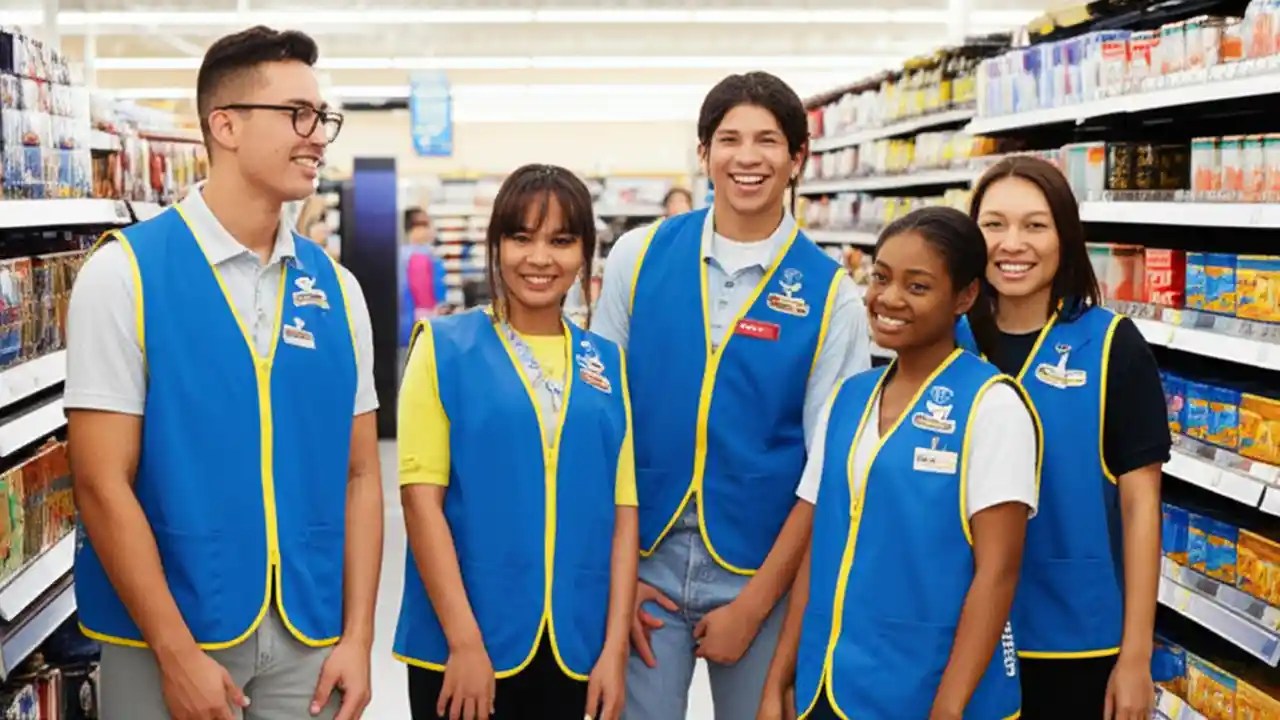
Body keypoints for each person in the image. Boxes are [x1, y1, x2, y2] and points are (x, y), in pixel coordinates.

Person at [67, 26, 382, 720]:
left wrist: (359, 637)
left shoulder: (338, 290)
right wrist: (174, 653)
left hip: (312, 637)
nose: (318, 135)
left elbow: (361, 474)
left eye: (322, 117)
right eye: (297, 113)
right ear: (226, 125)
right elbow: (99, 481)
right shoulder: (124, 276)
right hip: (168, 638)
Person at [591, 71, 870, 720]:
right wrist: (616, 578)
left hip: (758, 569)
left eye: (769, 140)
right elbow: (600, 419)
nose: (748, 157)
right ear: (703, 153)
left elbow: (826, 470)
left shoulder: (833, 297)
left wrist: (755, 604)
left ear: (798, 158)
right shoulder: (639, 256)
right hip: (645, 557)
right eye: (729, 139)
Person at [760, 207, 1041, 720]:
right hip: (826, 687)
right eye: (881, 278)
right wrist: (779, 678)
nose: (888, 299)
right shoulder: (849, 399)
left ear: (965, 296)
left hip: (923, 693)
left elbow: (997, 574)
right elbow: (822, 549)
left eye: (917, 286)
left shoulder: (993, 406)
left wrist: (949, 708)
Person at [394, 164, 638, 720]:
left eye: (561, 240)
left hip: (575, 646)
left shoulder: (605, 363)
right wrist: (463, 642)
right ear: (497, 244)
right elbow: (420, 501)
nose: (540, 258)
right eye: (521, 237)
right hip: (464, 646)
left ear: (585, 254)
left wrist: (614, 651)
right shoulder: (444, 347)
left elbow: (623, 513)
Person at [970, 155, 1166, 720]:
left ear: (1065, 237)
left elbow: (1141, 506)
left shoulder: (1112, 347)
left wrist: (1135, 657)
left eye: (1035, 225)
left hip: (1077, 646)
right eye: (994, 225)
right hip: (959, 640)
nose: (1013, 243)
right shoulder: (946, 340)